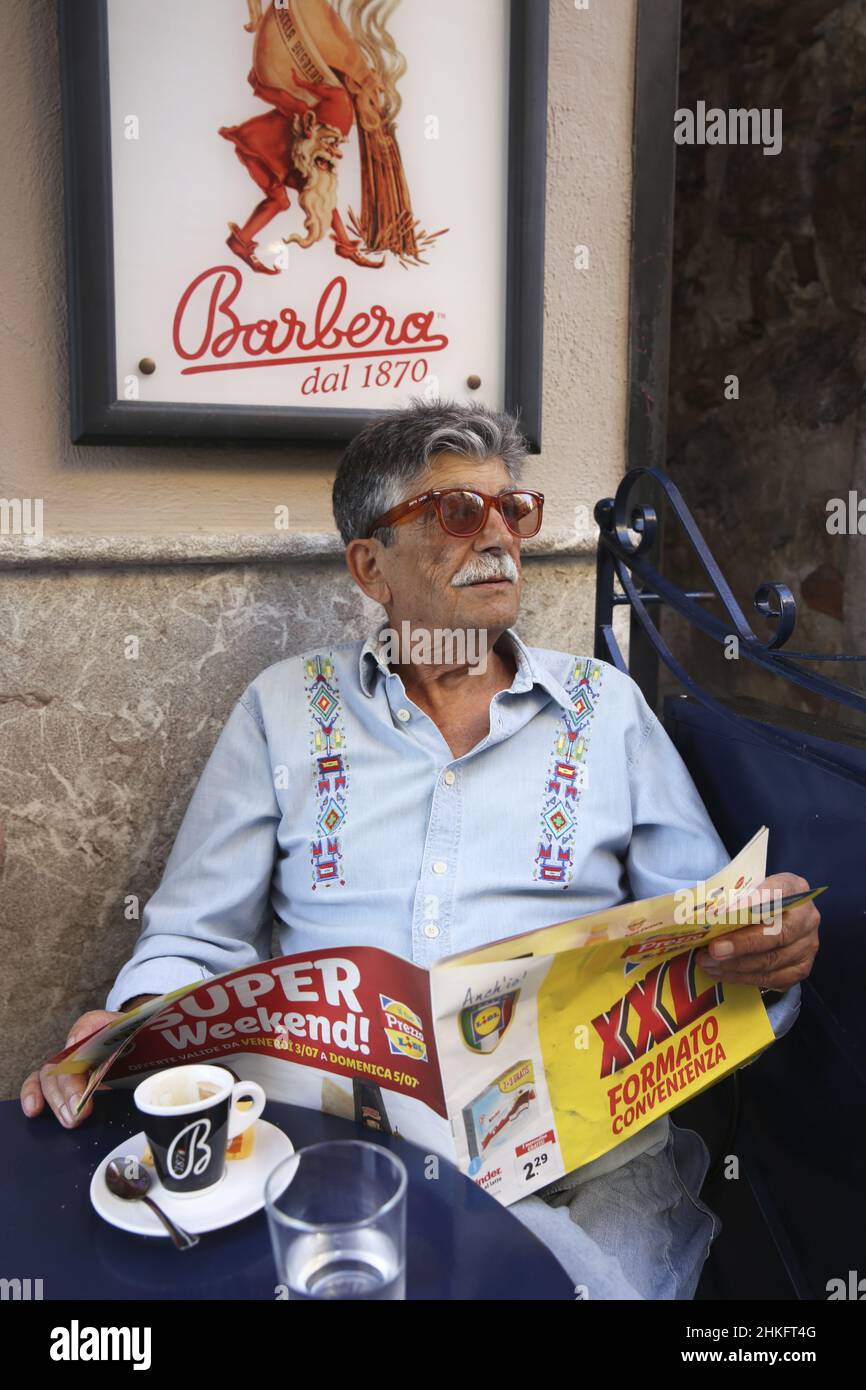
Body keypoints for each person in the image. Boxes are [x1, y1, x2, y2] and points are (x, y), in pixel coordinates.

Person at [20, 401, 820, 1299]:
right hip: (339, 1144)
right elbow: (193, 938)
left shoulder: (608, 710)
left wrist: (768, 949)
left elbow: (706, 935)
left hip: (580, 1152)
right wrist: (129, 1030)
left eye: (512, 511)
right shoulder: (286, 709)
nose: (499, 539)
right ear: (371, 565)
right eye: (455, 512)